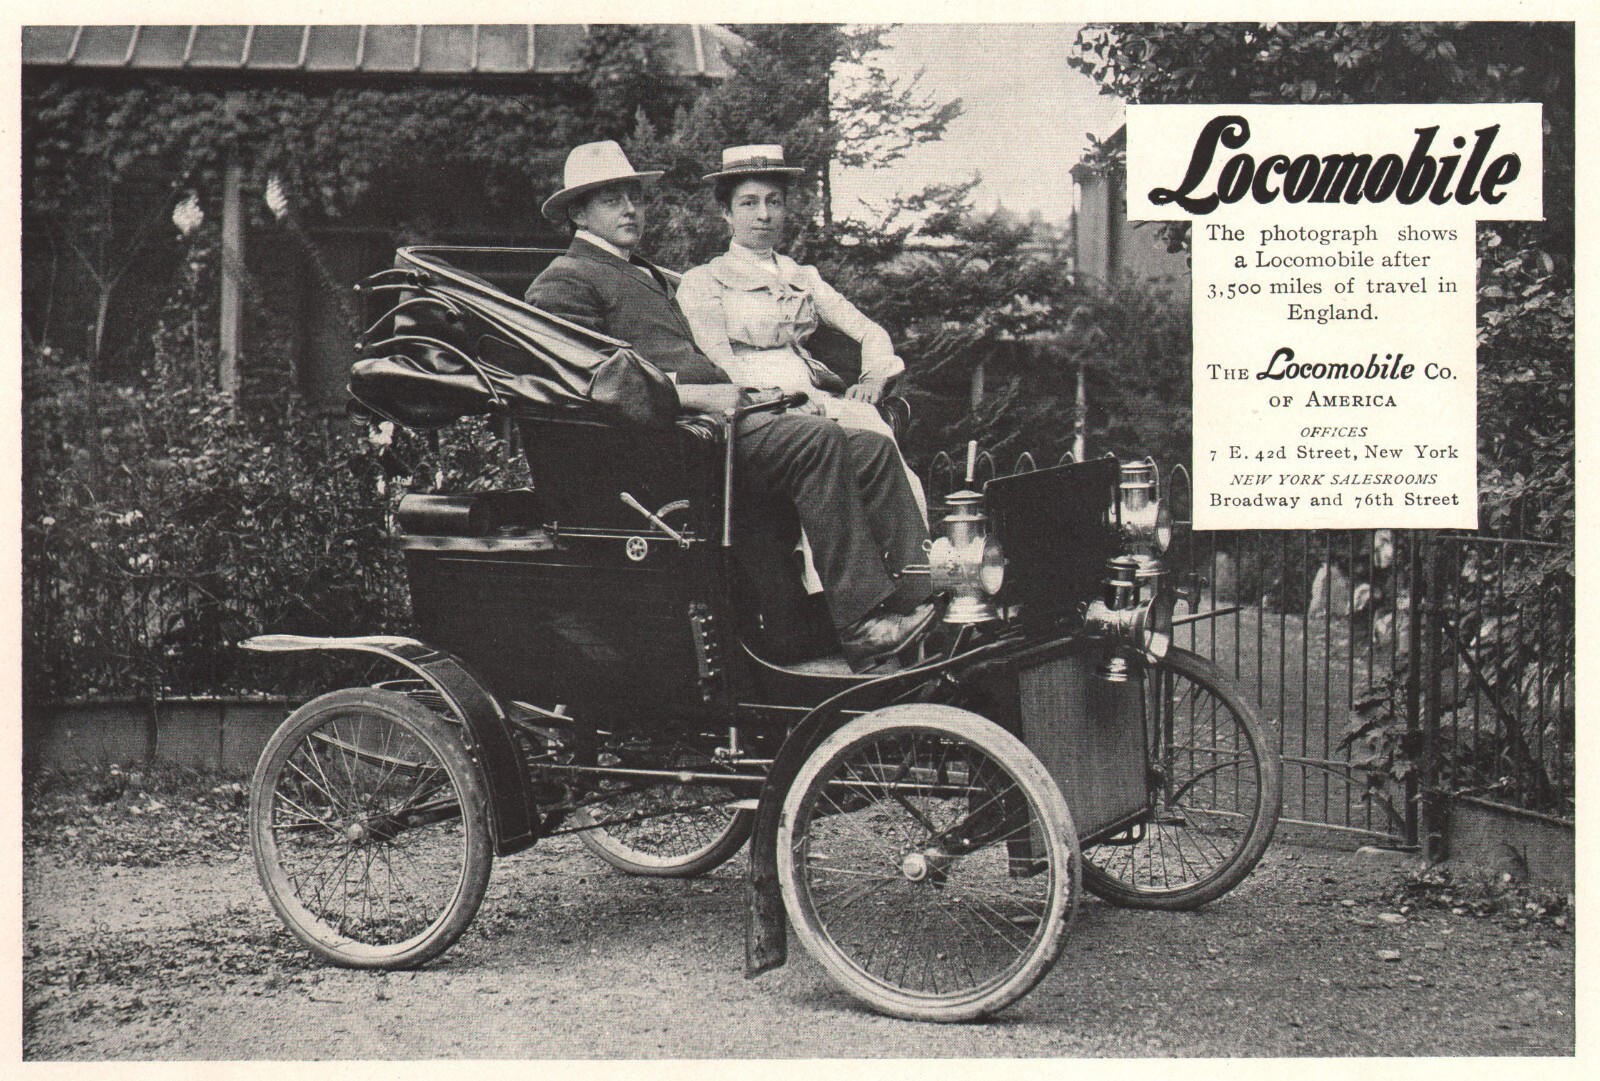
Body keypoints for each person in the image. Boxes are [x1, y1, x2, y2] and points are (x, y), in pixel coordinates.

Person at [524, 140, 936, 671]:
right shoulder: (565, 280)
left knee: (871, 446)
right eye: (610, 199)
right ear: (578, 212)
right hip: (664, 444)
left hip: (717, 424)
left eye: (634, 196)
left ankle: (918, 601)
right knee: (819, 440)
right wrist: (694, 395)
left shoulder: (643, 273)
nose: (630, 209)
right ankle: (863, 624)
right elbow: (585, 381)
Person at [675, 146, 905, 444]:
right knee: (837, 439)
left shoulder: (802, 277)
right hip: (755, 404)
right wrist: (782, 398)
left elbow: (869, 331)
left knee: (875, 432)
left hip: (814, 395)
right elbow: (720, 361)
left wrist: (873, 377)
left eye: (774, 202)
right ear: (726, 212)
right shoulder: (703, 281)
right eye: (748, 203)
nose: (764, 215)